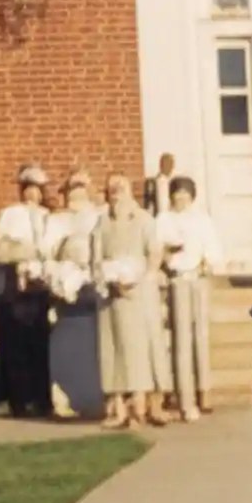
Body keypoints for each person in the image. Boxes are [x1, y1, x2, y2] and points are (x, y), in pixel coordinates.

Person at [93, 174, 174, 428]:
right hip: (111, 297)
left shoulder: (144, 220)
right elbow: (95, 259)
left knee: (142, 350)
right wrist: (108, 279)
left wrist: (139, 278)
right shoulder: (101, 223)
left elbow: (154, 253)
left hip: (139, 294)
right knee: (113, 351)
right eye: (112, 188)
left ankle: (145, 405)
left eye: (122, 187)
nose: (117, 192)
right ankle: (117, 408)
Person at [0, 164, 52, 418]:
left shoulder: (47, 216)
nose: (33, 194)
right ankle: (18, 401)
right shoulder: (10, 214)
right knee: (15, 347)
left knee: (39, 345)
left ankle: (41, 399)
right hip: (14, 289)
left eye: (37, 189)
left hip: (40, 287)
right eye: (28, 189)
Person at [157, 176, 225, 422]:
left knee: (201, 336)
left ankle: (204, 391)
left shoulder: (202, 220)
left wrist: (207, 263)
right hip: (177, 280)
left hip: (199, 278)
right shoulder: (164, 220)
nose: (181, 198)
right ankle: (185, 398)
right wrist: (167, 257)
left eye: (185, 193)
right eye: (177, 193)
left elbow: (213, 248)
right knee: (181, 339)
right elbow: (158, 249)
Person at [43, 168, 105, 420]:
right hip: (66, 300)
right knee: (67, 350)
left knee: (94, 350)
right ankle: (65, 400)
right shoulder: (57, 220)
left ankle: (95, 399)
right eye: (73, 188)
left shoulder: (100, 217)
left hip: (93, 291)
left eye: (82, 187)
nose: (77, 192)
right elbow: (47, 253)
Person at [143, 153, 176, 217]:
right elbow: (148, 204)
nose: (168, 166)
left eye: (170, 163)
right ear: (160, 165)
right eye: (165, 163)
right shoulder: (151, 182)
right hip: (158, 217)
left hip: (173, 218)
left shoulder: (176, 182)